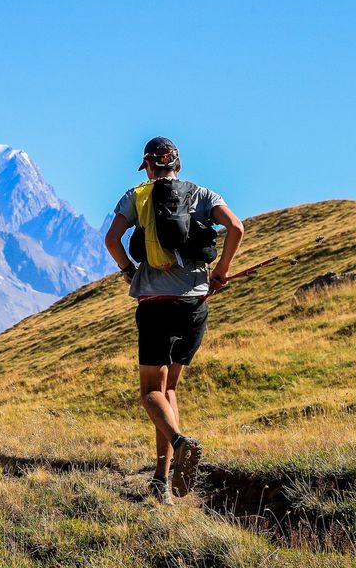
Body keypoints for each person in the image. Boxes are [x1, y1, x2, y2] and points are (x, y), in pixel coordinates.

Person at [103, 136, 244, 504]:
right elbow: (237, 228)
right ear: (177, 164)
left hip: (154, 304)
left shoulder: (137, 196)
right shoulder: (203, 194)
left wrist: (128, 271)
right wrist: (222, 271)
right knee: (170, 391)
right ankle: (161, 480)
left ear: (149, 166)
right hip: (194, 304)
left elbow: (112, 239)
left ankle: (180, 443)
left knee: (151, 391)